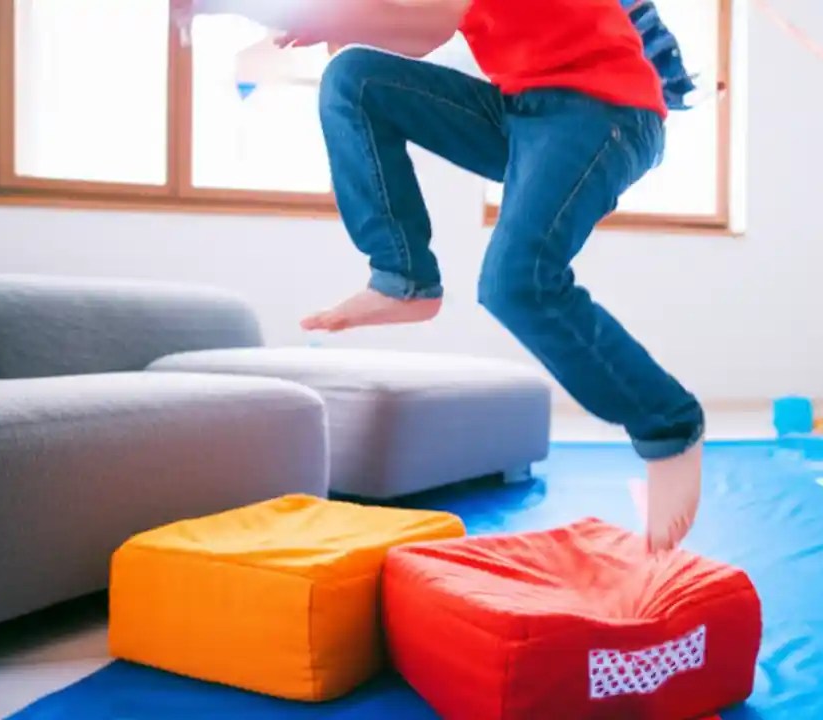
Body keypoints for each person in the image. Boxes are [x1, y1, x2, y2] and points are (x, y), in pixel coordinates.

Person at [174, 0, 705, 553]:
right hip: (521, 112)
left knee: (517, 285)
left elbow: (424, 25)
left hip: (605, 110)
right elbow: (409, 34)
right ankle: (402, 275)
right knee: (354, 79)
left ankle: (669, 426)